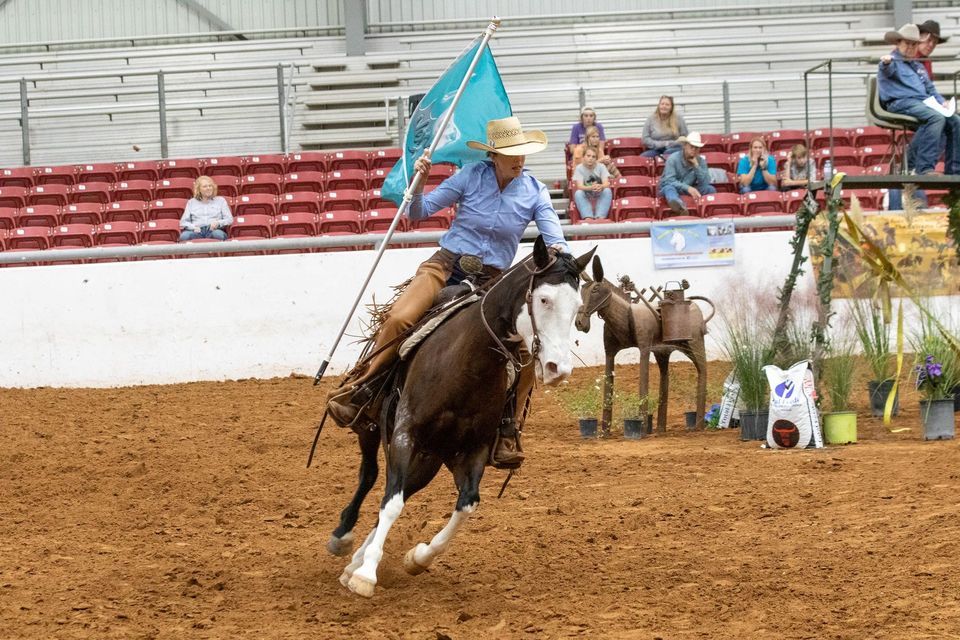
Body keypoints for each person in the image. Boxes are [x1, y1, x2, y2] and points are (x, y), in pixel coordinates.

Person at [326, 116, 569, 468]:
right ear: (494, 156)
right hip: (446, 265)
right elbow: (417, 212)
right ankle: (362, 391)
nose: (520, 159)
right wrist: (420, 182)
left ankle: (507, 431)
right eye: (512, 153)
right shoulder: (470, 176)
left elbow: (555, 237)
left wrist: (563, 255)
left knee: (525, 355)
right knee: (399, 318)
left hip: (492, 282)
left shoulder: (535, 191)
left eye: (523, 153)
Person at [878, 23, 960, 175]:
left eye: (914, 44)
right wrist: (886, 62)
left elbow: (930, 90)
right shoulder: (892, 61)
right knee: (936, 118)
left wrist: (943, 102)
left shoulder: (918, 66)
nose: (910, 47)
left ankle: (955, 171)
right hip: (901, 102)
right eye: (907, 43)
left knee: (955, 121)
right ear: (898, 43)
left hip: (923, 103)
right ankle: (923, 168)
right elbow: (886, 69)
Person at [658, 131, 715, 215]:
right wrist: (688, 188)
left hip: (688, 188)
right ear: (685, 146)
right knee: (669, 188)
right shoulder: (673, 159)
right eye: (692, 147)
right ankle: (680, 207)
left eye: (697, 148)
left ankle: (706, 212)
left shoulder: (700, 161)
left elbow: (705, 182)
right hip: (671, 188)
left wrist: (696, 166)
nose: (694, 150)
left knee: (710, 189)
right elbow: (669, 180)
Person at [178, 175, 232, 241]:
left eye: (210, 186)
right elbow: (183, 222)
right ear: (199, 189)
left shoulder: (221, 200)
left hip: (214, 230)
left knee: (218, 235)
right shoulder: (191, 202)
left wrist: (218, 223)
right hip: (196, 231)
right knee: (184, 236)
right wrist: (193, 227)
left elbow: (229, 219)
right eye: (205, 186)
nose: (208, 188)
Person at [572, 147, 612, 219]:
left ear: (596, 159)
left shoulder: (601, 167)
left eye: (593, 157)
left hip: (599, 191)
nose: (590, 158)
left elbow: (607, 183)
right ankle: (588, 217)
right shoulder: (579, 168)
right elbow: (580, 186)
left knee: (607, 190)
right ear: (583, 157)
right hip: (586, 192)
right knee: (578, 193)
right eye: (588, 156)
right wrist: (591, 187)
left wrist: (601, 186)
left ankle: (600, 217)